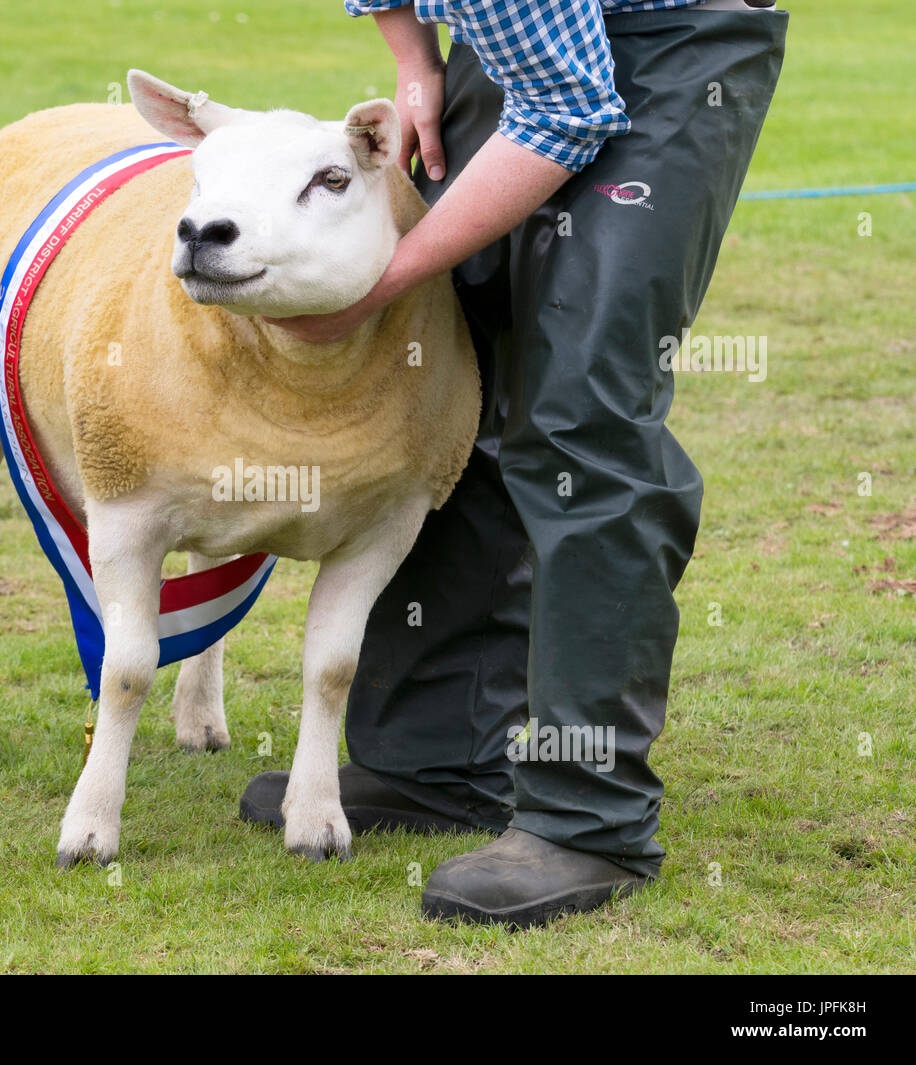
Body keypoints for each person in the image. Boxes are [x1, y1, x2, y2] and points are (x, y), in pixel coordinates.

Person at [240, 0, 788, 928]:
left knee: (582, 415)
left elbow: (569, 108)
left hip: (673, 48)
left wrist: (388, 276)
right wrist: (415, 59)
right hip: (519, 47)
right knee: (451, 367)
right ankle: (433, 757)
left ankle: (590, 814)